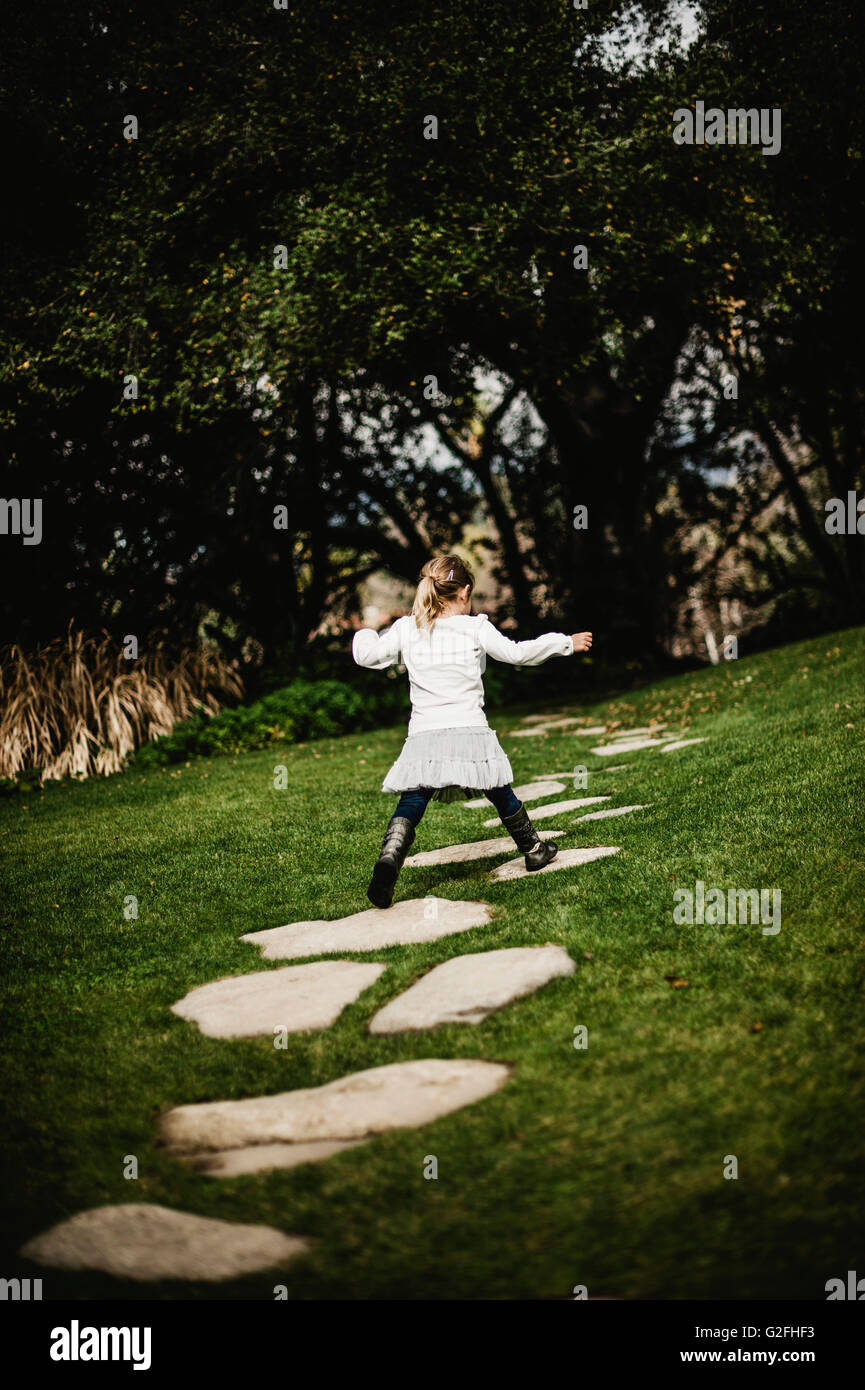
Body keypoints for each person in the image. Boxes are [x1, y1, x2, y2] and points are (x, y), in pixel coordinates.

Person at [352, 555, 593, 908]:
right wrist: (565, 643)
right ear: (465, 592)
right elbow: (517, 654)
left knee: (414, 798)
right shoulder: (475, 628)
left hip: (425, 734)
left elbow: (368, 656)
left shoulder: (408, 628)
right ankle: (534, 849)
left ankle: (390, 857)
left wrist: (365, 633)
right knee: (498, 789)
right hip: (469, 728)